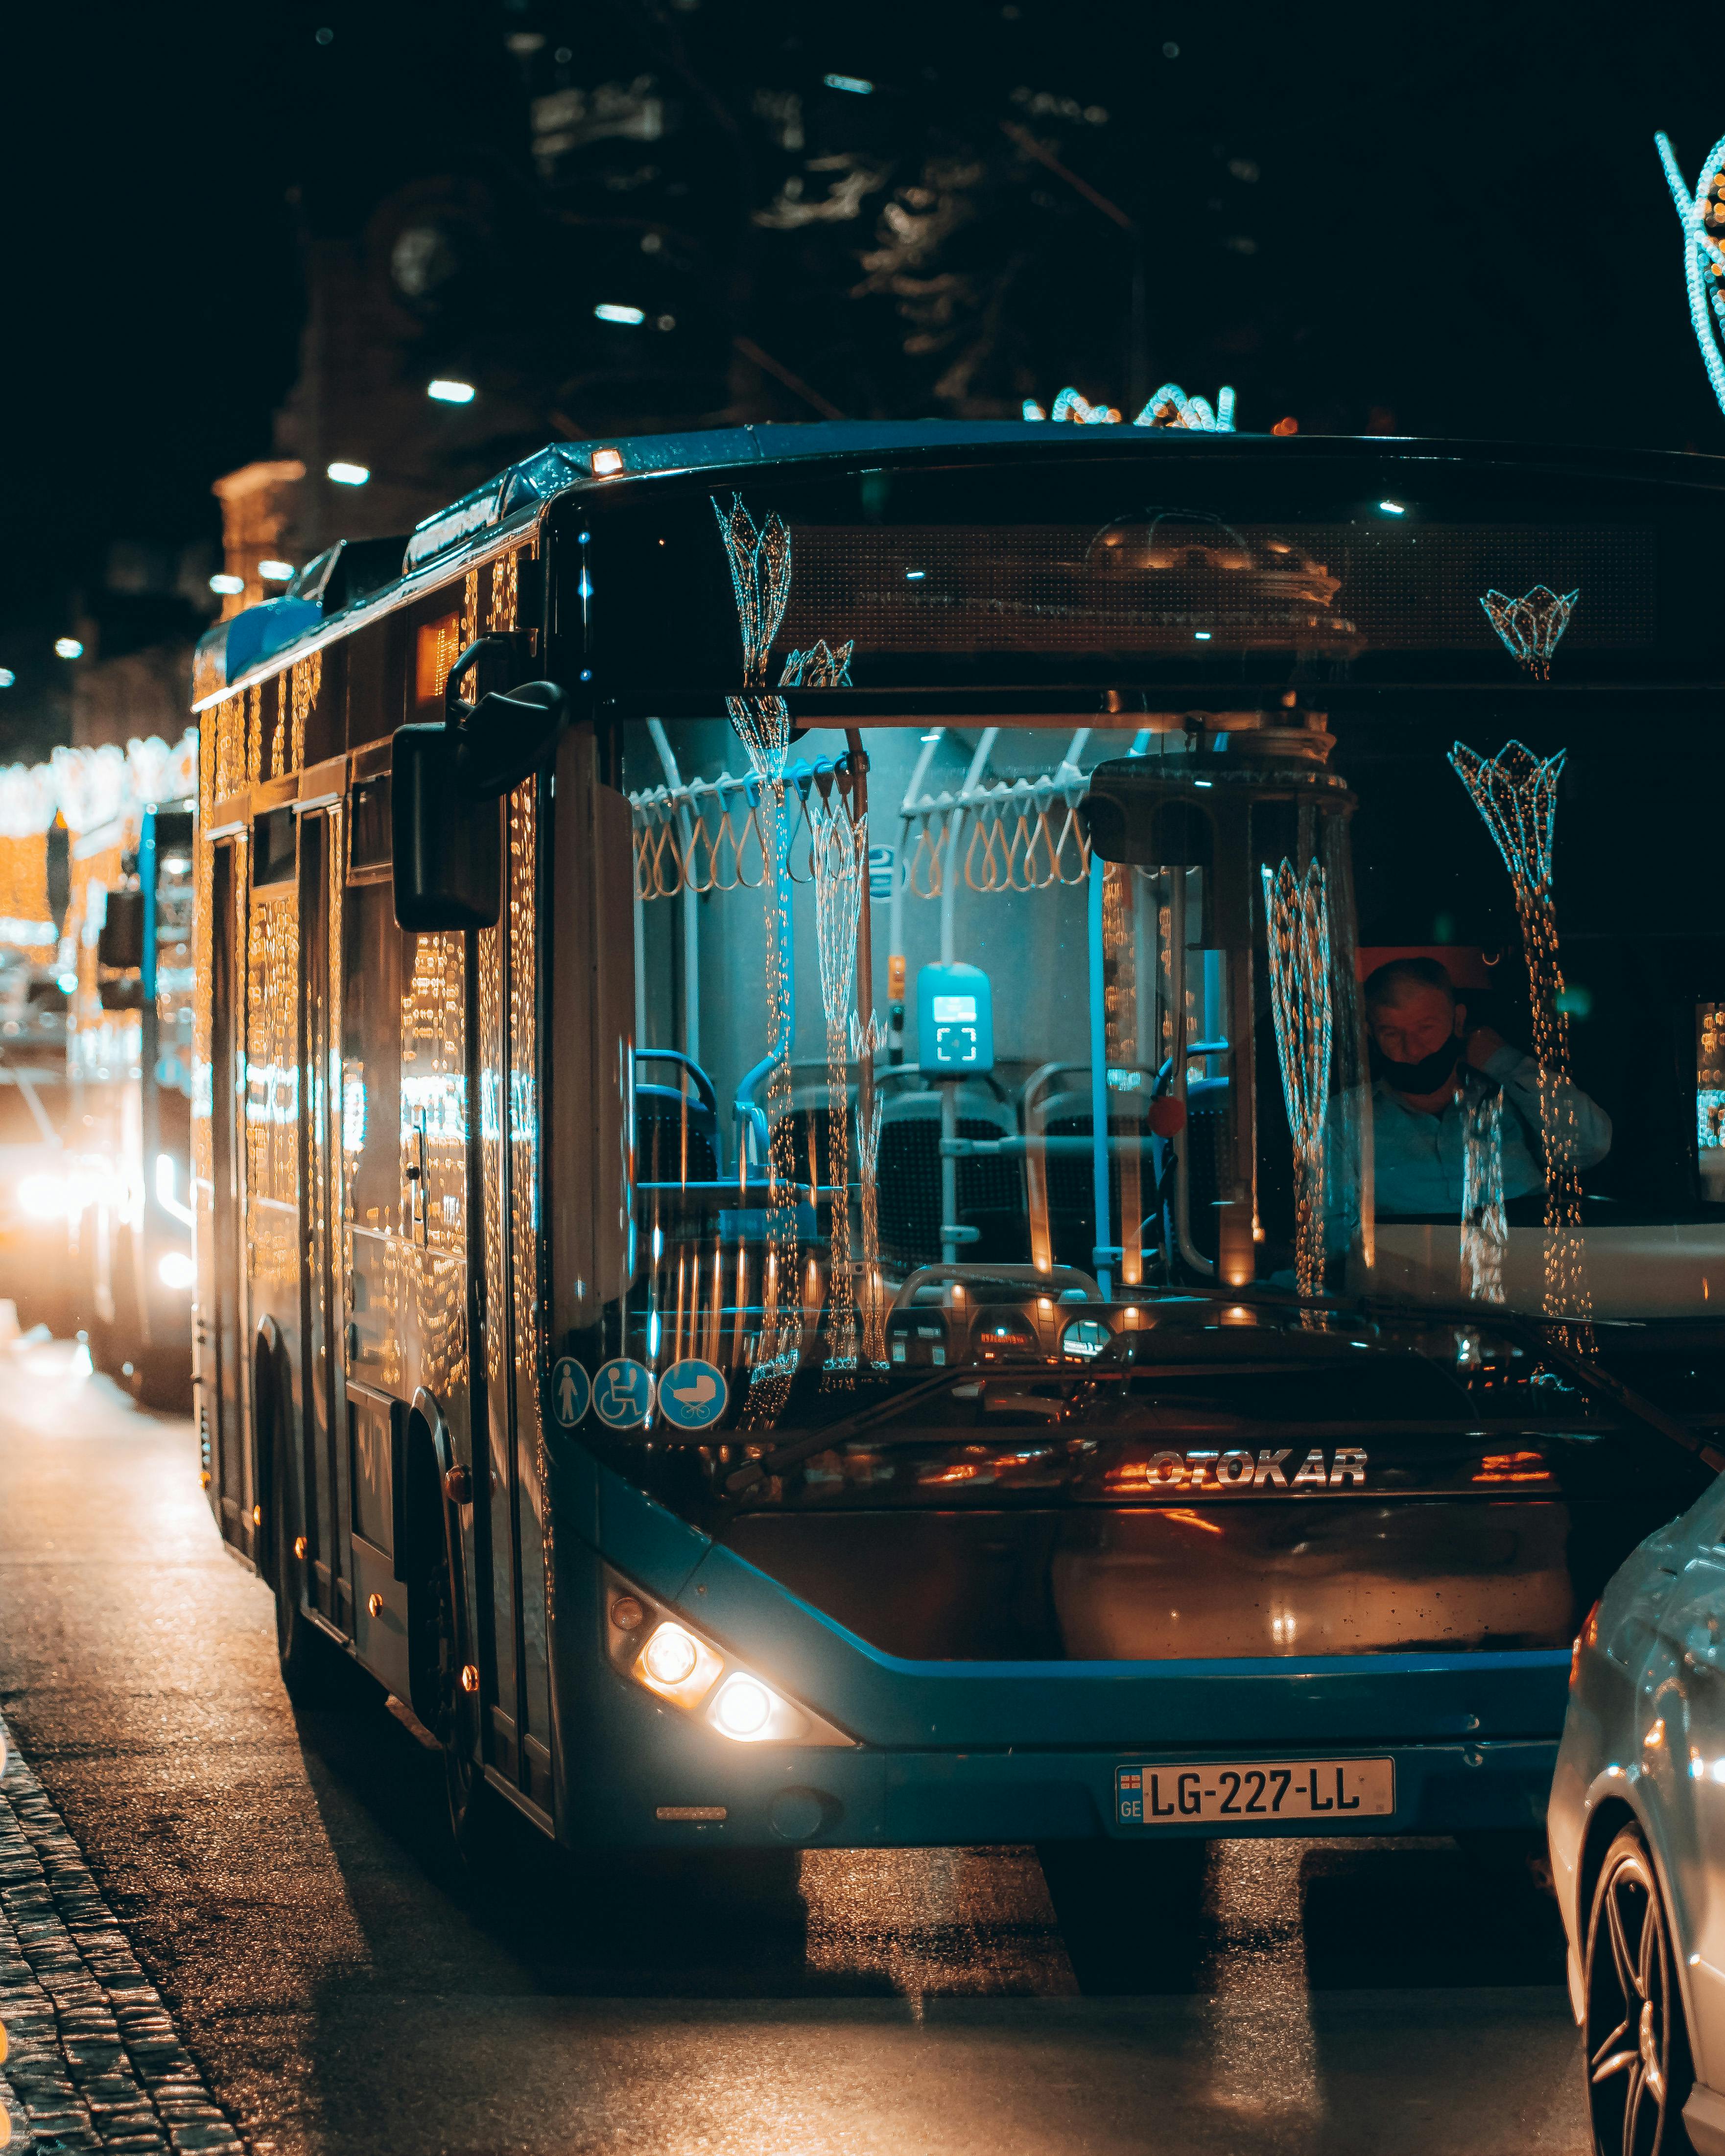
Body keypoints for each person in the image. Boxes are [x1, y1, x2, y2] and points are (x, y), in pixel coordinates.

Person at [1358, 955, 1610, 1218]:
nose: (1413, 1049)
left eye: (1426, 1028)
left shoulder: (1510, 1095)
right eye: (1392, 1034)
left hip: (1527, 1251)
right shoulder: (1345, 1123)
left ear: (1457, 1021)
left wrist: (1504, 1062)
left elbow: (1588, 1148)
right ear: (1371, 1034)